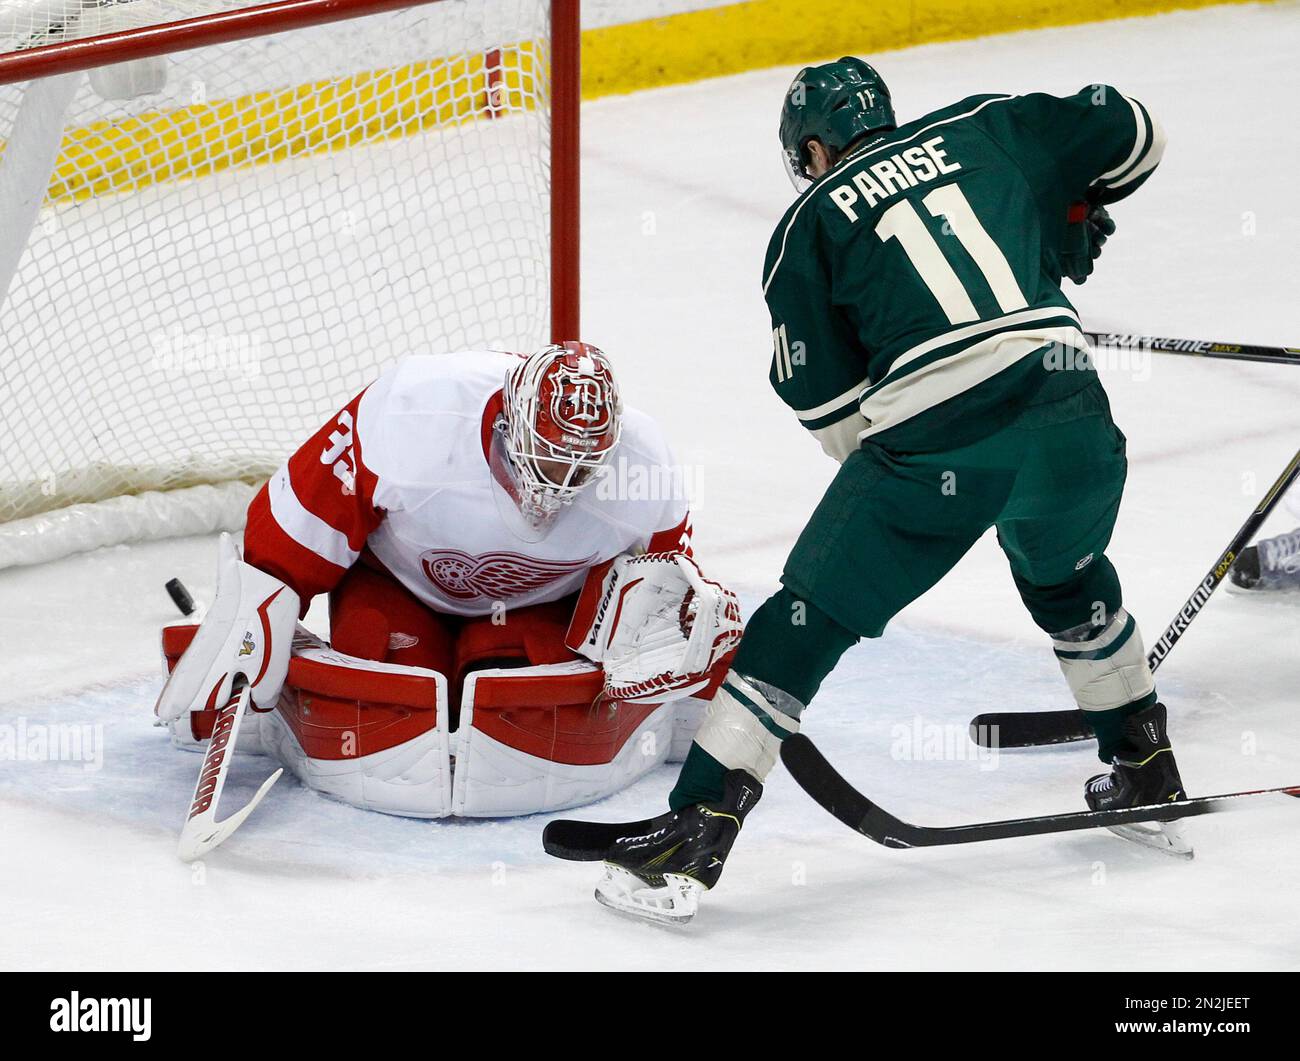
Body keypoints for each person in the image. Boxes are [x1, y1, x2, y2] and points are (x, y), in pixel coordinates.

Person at [566, 59, 1184, 923]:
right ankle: (1144, 763)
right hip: (1074, 415)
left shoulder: (808, 226)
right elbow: (1136, 127)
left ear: (813, 149)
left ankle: (694, 829)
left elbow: (840, 424)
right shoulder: (989, 122)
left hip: (940, 448)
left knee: (801, 622)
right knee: (1069, 579)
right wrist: (1069, 211)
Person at [155, 343, 740, 819]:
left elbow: (666, 600)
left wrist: (682, 628)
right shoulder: (416, 410)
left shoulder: (645, 467)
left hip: (540, 607)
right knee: (389, 692)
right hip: (398, 584)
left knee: (515, 708)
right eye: (549, 458)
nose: (558, 486)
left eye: (580, 469)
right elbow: (315, 503)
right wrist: (268, 591)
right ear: (509, 422)